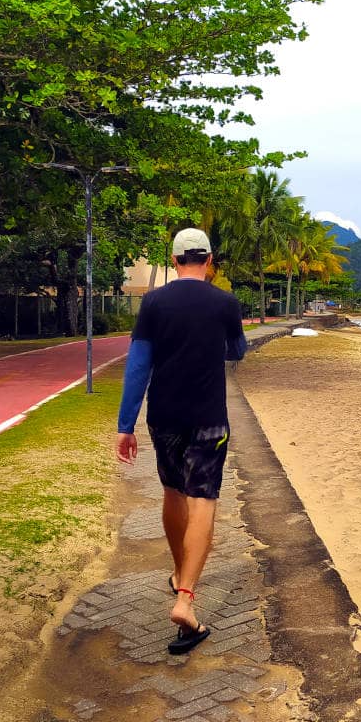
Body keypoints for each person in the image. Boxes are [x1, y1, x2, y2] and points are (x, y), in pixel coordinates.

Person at [116, 227, 247, 654]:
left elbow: (138, 366)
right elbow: (237, 351)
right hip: (209, 418)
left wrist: (125, 424)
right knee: (203, 499)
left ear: (174, 262)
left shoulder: (153, 302)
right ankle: (186, 598)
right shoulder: (225, 303)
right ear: (209, 261)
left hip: (164, 416)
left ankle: (178, 573)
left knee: (173, 493)